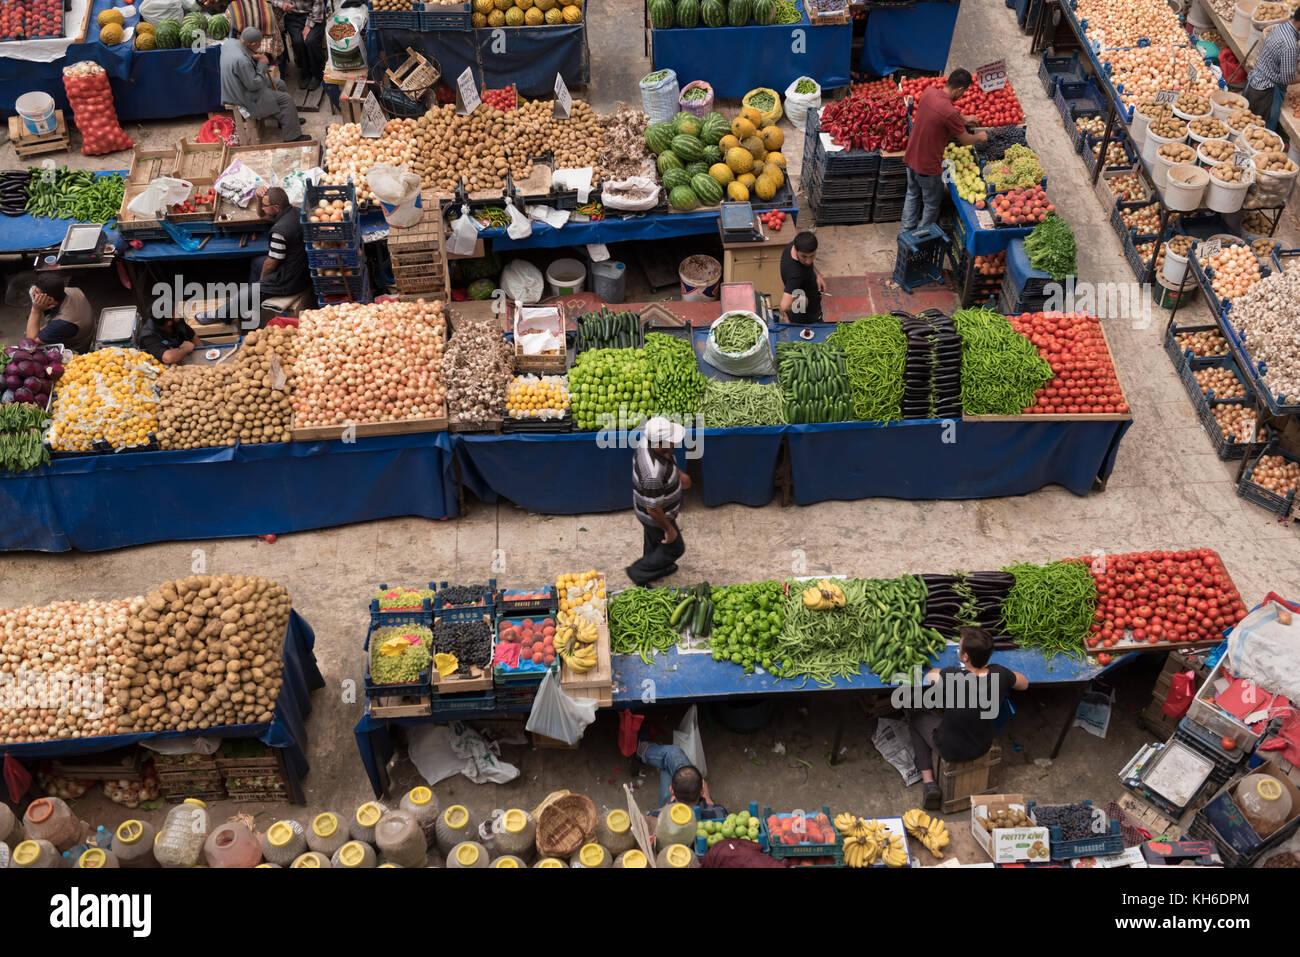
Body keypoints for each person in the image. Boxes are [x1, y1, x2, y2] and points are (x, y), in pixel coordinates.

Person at [906, 626, 1028, 810]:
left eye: (959, 648)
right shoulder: (1000, 674)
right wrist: (1006, 676)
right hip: (982, 747)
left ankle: (929, 783)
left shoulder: (952, 675)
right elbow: (1023, 683)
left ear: (965, 657)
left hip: (949, 749)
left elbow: (930, 677)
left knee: (914, 715)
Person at [902, 68, 988, 231]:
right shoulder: (949, 113)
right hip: (928, 167)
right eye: (963, 92)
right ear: (960, 90)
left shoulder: (929, 92)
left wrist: (963, 118)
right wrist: (980, 137)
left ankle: (906, 231)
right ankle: (921, 239)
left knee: (912, 194)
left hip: (911, 156)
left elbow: (945, 111)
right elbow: (965, 140)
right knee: (931, 205)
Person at [626, 416, 689, 586]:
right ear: (660, 443)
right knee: (675, 546)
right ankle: (638, 573)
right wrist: (668, 529)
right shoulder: (652, 474)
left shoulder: (648, 443)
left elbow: (667, 459)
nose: (676, 444)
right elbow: (653, 509)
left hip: (650, 509)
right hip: (656, 515)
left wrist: (678, 475)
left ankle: (657, 569)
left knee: (654, 542)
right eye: (672, 441)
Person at [220, 27, 308, 143]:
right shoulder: (242, 61)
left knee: (280, 84)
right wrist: (262, 64)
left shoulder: (230, 43)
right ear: (252, 44)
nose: (260, 45)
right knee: (285, 100)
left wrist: (254, 57)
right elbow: (253, 85)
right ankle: (292, 137)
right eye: (259, 43)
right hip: (241, 94)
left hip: (239, 83)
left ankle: (287, 120)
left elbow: (243, 64)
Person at [635, 739, 726, 821]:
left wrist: (667, 807)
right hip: (701, 811)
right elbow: (723, 814)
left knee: (671, 756)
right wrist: (709, 800)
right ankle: (644, 751)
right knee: (668, 764)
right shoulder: (719, 812)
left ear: (671, 791)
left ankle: (642, 750)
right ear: (702, 791)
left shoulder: (656, 816)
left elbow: (649, 824)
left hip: (670, 813)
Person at [249, 186, 312, 301]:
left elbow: (270, 264)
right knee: (256, 262)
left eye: (265, 206)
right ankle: (254, 299)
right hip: (301, 268)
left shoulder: (280, 232)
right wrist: (259, 198)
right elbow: (263, 215)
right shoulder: (296, 211)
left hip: (291, 281)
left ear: (276, 208)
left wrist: (262, 284)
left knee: (248, 293)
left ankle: (220, 314)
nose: (262, 208)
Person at [1245, 10, 1300, 131]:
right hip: (1266, 93)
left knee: (1249, 126)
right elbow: (1287, 79)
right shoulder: (1290, 44)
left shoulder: (1280, 27)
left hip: (1256, 83)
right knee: (1261, 134)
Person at [25, 275, 94, 354]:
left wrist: (35, 311)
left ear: (50, 299)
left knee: (32, 350)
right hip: (84, 329)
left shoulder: (62, 323)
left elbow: (31, 342)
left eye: (37, 292)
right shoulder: (71, 290)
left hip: (78, 347)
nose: (33, 293)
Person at [779, 231, 826, 323]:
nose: (808, 261)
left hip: (801, 295)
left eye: (812, 256)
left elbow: (809, 263)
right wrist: (803, 302)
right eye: (804, 257)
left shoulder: (793, 245)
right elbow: (784, 305)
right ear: (797, 250)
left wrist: (817, 275)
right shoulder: (796, 275)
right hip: (806, 316)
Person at [279, 0, 326, 91]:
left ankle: (317, 74)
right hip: (293, 18)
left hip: (313, 15)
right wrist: (282, 4)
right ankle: (305, 73)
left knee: (310, 41)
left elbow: (318, 5)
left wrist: (308, 26)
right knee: (298, 42)